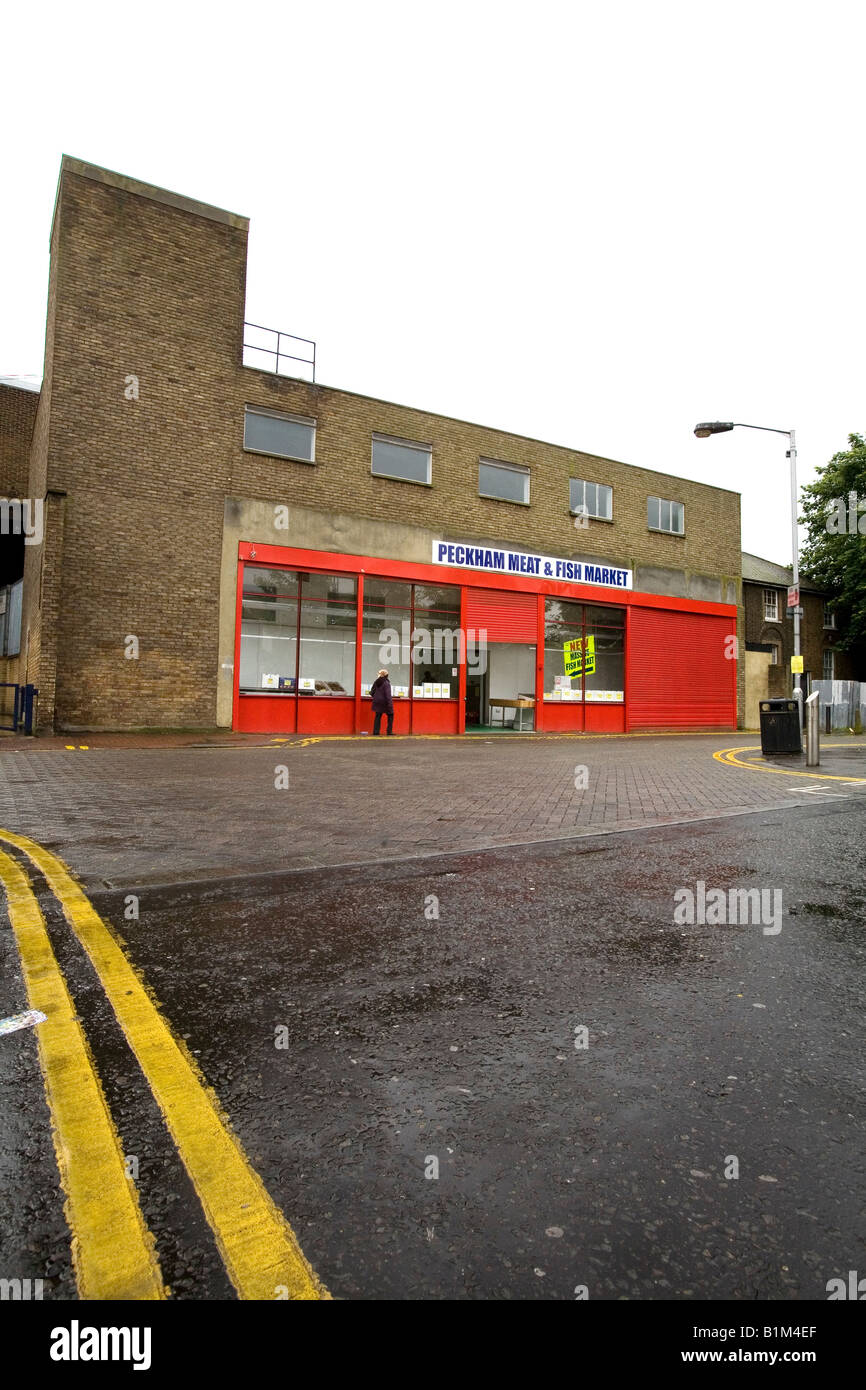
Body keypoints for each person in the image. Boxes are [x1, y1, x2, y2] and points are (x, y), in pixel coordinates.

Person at [370, 668, 394, 736]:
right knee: (391, 715)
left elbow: (372, 692)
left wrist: (376, 696)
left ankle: (376, 732)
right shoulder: (386, 683)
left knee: (378, 716)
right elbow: (388, 695)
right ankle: (389, 731)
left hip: (377, 701)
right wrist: (390, 704)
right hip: (384, 702)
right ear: (386, 675)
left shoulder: (376, 681)